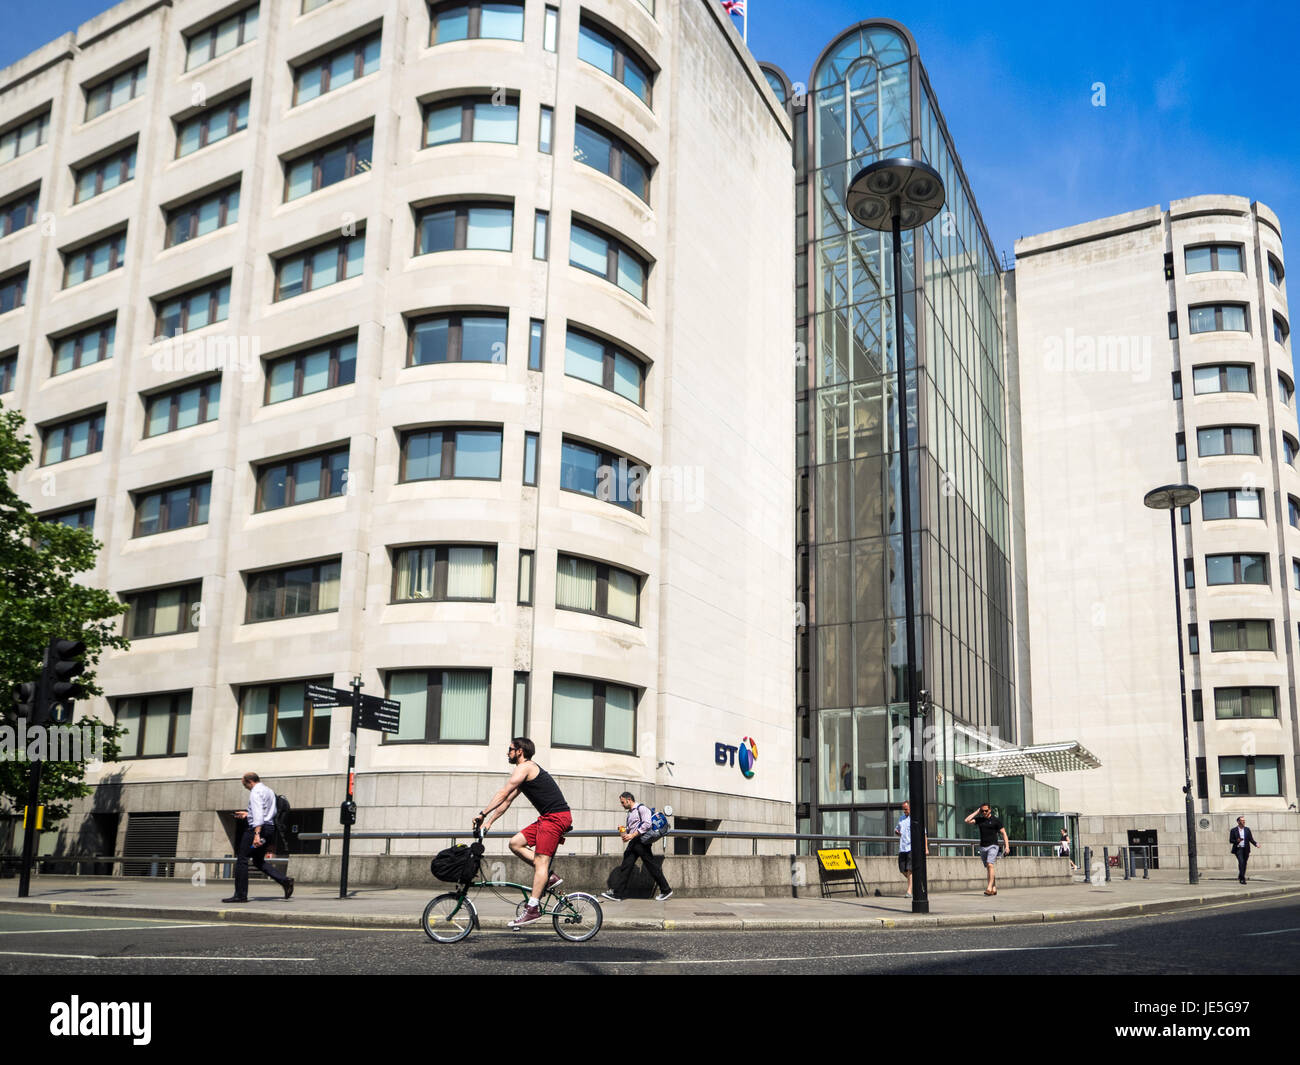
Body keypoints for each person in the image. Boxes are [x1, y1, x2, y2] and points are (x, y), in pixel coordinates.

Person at [475, 737, 572, 928]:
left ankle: (533, 908)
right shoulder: (523, 772)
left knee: (541, 862)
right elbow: (507, 801)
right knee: (515, 843)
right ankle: (549, 877)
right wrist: (489, 823)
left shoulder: (525, 767)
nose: (508, 752)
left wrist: (482, 813)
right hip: (547, 818)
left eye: (510, 749)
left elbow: (503, 792)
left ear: (520, 751)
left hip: (556, 818)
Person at [222, 772, 293, 903]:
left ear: (249, 781)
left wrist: (256, 834)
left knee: (242, 859)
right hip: (269, 828)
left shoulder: (255, 792)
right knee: (258, 860)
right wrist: (247, 814)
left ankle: (240, 895)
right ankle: (284, 880)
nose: (245, 787)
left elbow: (259, 814)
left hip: (257, 829)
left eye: (244, 784)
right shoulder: (269, 790)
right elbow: (269, 811)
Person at [601, 792, 673, 902]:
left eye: (623, 802)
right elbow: (632, 828)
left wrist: (632, 835)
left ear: (629, 800)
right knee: (627, 865)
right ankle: (618, 893)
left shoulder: (642, 808)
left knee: (650, 866)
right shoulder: (630, 813)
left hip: (641, 841)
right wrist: (624, 831)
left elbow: (647, 824)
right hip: (636, 841)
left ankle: (666, 890)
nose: (622, 804)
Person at [965, 802, 1010, 896]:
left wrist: (1007, 846)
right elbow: (967, 820)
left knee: (990, 865)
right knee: (989, 868)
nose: (984, 812)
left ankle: (989, 888)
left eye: (986, 810)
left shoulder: (996, 821)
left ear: (990, 810)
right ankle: (994, 887)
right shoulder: (980, 820)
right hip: (983, 847)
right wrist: (977, 812)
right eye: (982, 811)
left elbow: (1004, 833)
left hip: (993, 846)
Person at [894, 800, 919, 898]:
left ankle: (909, 890)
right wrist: (897, 831)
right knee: (902, 869)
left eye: (906, 809)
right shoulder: (901, 818)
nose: (904, 811)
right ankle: (913, 881)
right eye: (903, 809)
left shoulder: (914, 819)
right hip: (902, 847)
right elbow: (897, 829)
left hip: (911, 847)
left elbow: (923, 833)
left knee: (909, 869)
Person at [1229, 816, 1260, 884]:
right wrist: (1237, 841)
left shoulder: (1247, 829)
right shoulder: (1233, 830)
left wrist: (1256, 844)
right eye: (1242, 820)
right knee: (1241, 862)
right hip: (1238, 849)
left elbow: (1251, 839)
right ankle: (1242, 879)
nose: (1243, 822)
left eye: (1244, 821)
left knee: (1244, 863)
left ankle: (1240, 875)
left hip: (1246, 849)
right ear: (1238, 822)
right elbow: (1231, 840)